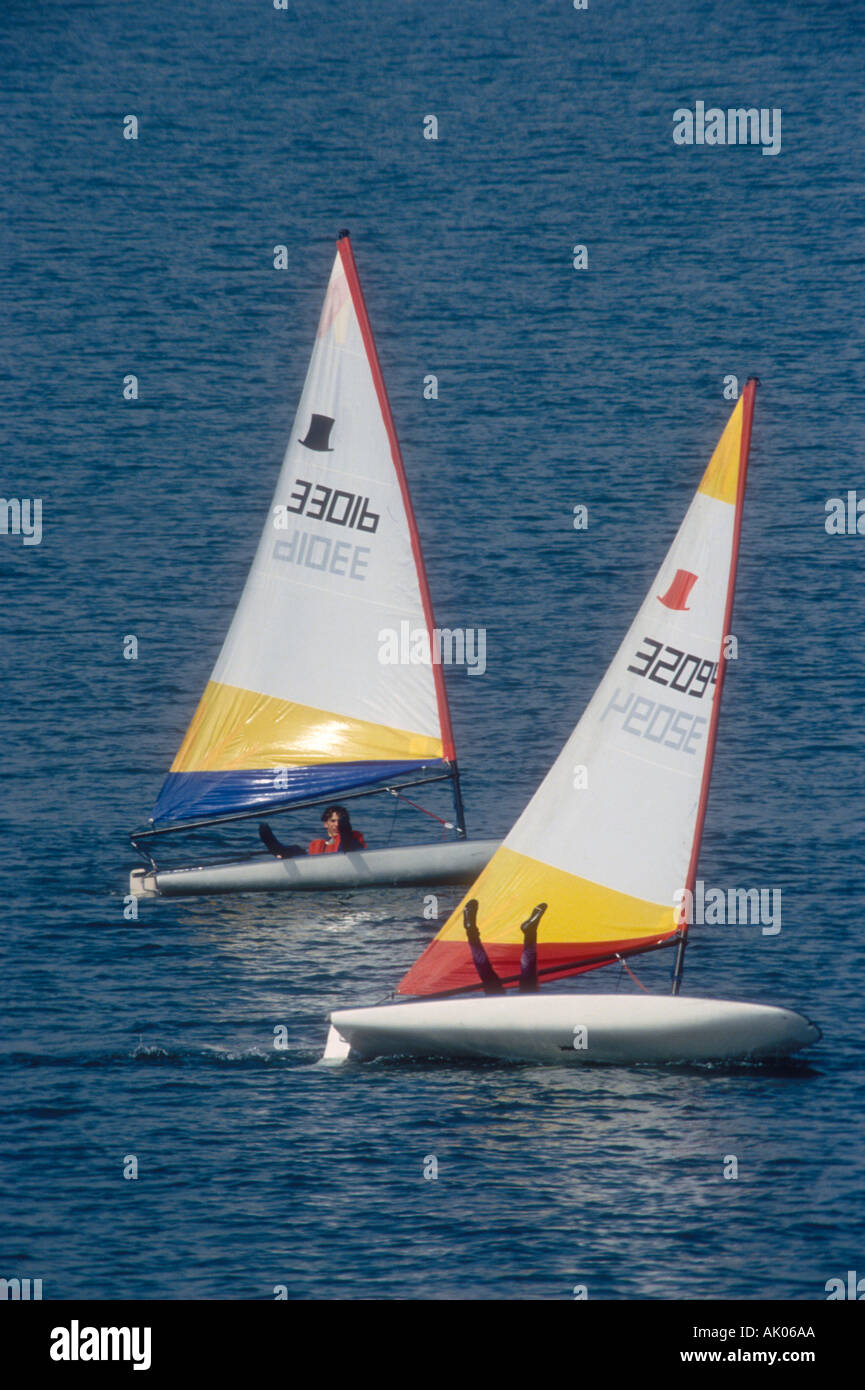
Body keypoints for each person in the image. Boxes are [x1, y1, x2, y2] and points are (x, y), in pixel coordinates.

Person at [462, 898, 547, 993]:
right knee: (488, 976)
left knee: (529, 978)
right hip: (500, 1002)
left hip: (509, 1003)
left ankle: (530, 933)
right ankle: (470, 930)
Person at [258, 805, 367, 859]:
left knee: (347, 841)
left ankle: (345, 828)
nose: (336, 824)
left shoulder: (354, 837)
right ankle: (276, 847)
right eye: (333, 821)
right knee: (297, 850)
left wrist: (344, 827)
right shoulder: (319, 843)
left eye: (340, 821)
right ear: (326, 824)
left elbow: (350, 844)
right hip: (320, 864)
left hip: (347, 848)